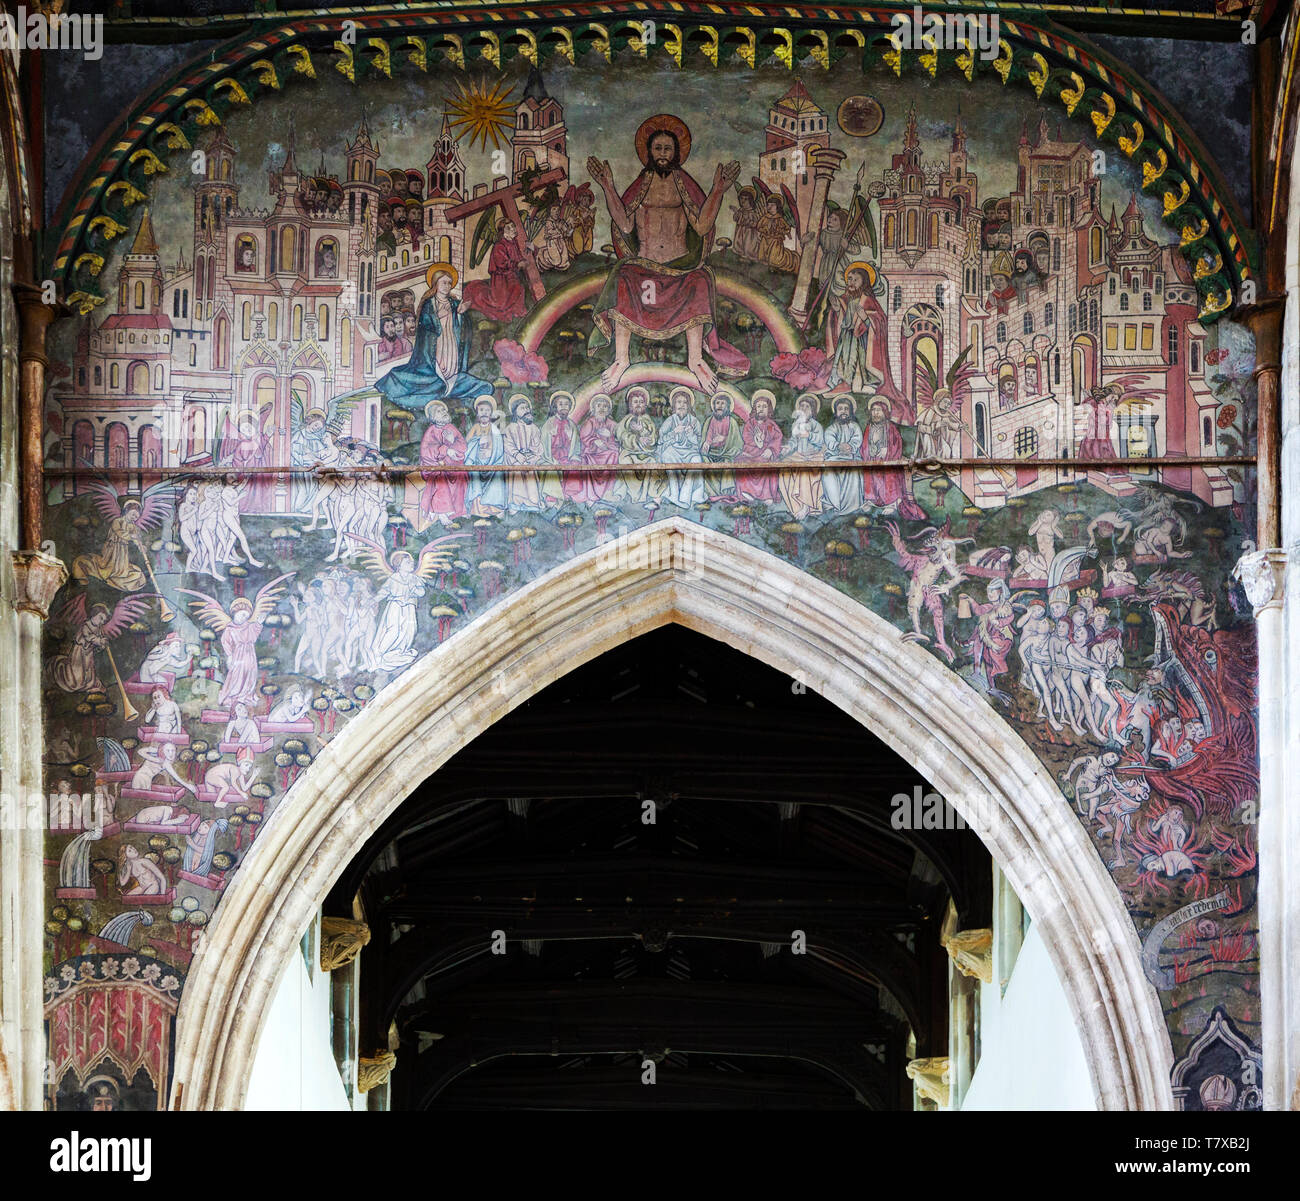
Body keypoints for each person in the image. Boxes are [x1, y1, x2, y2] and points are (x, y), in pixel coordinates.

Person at [587, 114, 749, 392]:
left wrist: (718, 190)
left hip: (681, 266)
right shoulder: (642, 186)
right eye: (658, 148)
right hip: (645, 264)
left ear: (676, 153)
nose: (662, 153)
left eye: (668, 149)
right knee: (623, 274)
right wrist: (608, 187)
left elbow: (701, 226)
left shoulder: (683, 185)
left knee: (700, 279)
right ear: (649, 152)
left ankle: (696, 359)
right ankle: (621, 359)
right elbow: (624, 224)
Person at [374, 266, 491, 406]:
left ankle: (446, 383)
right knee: (423, 374)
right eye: (444, 282)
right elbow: (424, 328)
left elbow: (464, 328)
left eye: (449, 283)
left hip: (451, 345)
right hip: (435, 348)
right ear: (436, 284)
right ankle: (439, 382)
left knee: (453, 372)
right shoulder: (429, 305)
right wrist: (438, 317)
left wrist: (461, 315)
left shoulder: (454, 303)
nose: (447, 286)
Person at [462, 220, 528, 322]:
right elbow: (501, 263)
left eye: (513, 226)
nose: (512, 229)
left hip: (511, 275)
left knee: (519, 289)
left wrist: (523, 259)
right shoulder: (499, 245)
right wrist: (517, 264)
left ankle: (517, 311)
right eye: (508, 228)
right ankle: (476, 295)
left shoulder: (514, 243)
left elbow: (518, 256)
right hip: (500, 278)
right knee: (499, 303)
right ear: (503, 232)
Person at [417, 400, 467, 528]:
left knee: (462, 474)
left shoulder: (451, 428)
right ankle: (442, 512)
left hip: (452, 464)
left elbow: (462, 445)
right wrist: (446, 448)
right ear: (433, 416)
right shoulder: (431, 431)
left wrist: (453, 447)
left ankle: (458, 510)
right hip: (433, 466)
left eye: (444, 410)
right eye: (439, 411)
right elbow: (426, 452)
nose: (444, 412)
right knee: (440, 477)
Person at [777, 394, 825, 520]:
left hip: (814, 455)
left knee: (804, 471)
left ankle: (806, 505)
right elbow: (794, 441)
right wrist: (788, 447)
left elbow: (820, 441)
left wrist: (809, 435)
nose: (803, 408)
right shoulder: (796, 425)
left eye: (807, 406)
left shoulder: (816, 425)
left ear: (812, 410)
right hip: (799, 455)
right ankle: (794, 506)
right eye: (801, 406)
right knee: (784, 468)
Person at [657, 387, 705, 509]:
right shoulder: (670, 420)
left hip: (690, 452)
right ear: (674, 405)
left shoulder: (694, 421)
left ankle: (685, 497)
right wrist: (674, 432)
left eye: (685, 402)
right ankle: (674, 493)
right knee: (666, 455)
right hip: (673, 451)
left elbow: (698, 444)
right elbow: (661, 440)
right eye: (679, 402)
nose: (682, 405)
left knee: (697, 460)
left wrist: (690, 435)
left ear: (689, 405)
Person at [615, 387, 662, 505]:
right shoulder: (626, 420)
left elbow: (653, 438)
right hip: (629, 453)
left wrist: (643, 431)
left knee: (653, 462)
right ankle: (634, 495)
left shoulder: (648, 420)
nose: (638, 405)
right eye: (635, 402)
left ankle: (652, 494)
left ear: (645, 405)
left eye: (641, 402)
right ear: (630, 404)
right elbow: (621, 435)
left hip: (646, 453)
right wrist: (636, 439)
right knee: (625, 462)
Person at [539, 391, 585, 507]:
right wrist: (553, 436)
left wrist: (570, 438)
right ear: (555, 407)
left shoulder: (572, 425)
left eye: (566, 404)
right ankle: (552, 496)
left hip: (568, 456)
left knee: (575, 463)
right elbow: (544, 445)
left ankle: (569, 495)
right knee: (552, 468)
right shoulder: (549, 424)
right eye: (561, 404)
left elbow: (576, 446)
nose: (564, 407)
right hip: (552, 456)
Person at [464, 395, 507, 517]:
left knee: (498, 473)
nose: (484, 413)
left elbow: (499, 447)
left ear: (491, 413)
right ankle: (477, 508)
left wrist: (490, 452)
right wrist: (478, 441)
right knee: (474, 474)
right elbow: (466, 444)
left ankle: (494, 508)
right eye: (482, 410)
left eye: (487, 410)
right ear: (477, 412)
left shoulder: (495, 429)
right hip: (477, 461)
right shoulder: (476, 427)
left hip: (492, 461)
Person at [737, 389, 783, 504]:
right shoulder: (750, 423)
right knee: (740, 461)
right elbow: (746, 437)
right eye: (759, 406)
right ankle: (747, 492)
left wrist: (770, 449)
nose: (761, 409)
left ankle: (767, 495)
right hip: (750, 453)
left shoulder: (771, 425)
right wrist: (756, 442)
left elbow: (777, 438)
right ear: (755, 409)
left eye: (764, 406)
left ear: (769, 410)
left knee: (768, 464)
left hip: (765, 454)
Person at [821, 396, 864, 514]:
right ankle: (833, 503)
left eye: (846, 409)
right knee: (828, 471)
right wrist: (838, 446)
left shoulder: (855, 426)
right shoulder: (832, 428)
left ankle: (852, 506)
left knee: (854, 471)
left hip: (851, 457)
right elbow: (829, 439)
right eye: (840, 409)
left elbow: (857, 439)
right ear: (836, 412)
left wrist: (851, 446)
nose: (843, 411)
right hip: (834, 457)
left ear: (850, 411)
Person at [699, 390, 744, 503]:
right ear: (713, 406)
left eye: (722, 403)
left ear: (727, 406)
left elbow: (738, 443)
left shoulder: (732, 422)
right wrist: (706, 443)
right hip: (711, 453)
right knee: (703, 461)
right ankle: (713, 494)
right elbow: (705, 438)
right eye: (717, 403)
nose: (720, 406)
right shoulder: (709, 421)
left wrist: (724, 439)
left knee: (727, 462)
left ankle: (726, 492)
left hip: (726, 453)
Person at [504, 395, 545, 513]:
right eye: (522, 408)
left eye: (527, 408)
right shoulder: (510, 428)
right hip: (515, 460)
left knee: (531, 477)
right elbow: (508, 445)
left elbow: (537, 446)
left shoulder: (534, 428)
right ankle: (516, 502)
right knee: (517, 474)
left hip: (529, 459)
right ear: (515, 412)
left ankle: (532, 502)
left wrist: (532, 456)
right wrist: (518, 456)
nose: (526, 410)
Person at [579, 394, 620, 505]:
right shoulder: (590, 422)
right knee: (588, 462)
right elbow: (584, 437)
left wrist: (609, 437)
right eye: (599, 405)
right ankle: (592, 494)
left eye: (605, 406)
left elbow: (617, 440)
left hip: (608, 453)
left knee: (614, 454)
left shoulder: (612, 424)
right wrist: (594, 441)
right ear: (593, 408)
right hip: (592, 454)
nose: (602, 408)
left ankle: (608, 491)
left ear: (608, 410)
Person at [756, 195, 799, 274]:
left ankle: (783, 262)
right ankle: (765, 266)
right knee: (762, 256)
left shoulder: (780, 219)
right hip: (765, 239)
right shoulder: (765, 217)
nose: (770, 207)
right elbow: (759, 226)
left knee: (775, 258)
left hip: (775, 240)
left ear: (777, 207)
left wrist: (785, 232)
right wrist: (761, 232)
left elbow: (787, 228)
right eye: (768, 204)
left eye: (772, 205)